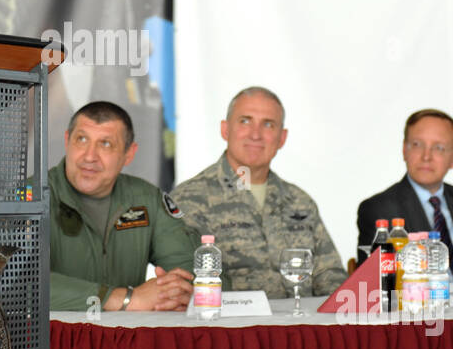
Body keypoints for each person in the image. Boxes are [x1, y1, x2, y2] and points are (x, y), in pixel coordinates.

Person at [172, 87, 347, 300]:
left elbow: (330, 277)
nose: (256, 134)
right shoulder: (188, 199)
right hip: (229, 329)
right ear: (225, 130)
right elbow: (183, 286)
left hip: (300, 327)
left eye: (268, 124)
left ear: (282, 138)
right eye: (245, 121)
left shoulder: (300, 202)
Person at [49, 102, 194, 312]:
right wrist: (123, 299)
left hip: (124, 339)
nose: (90, 156)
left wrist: (178, 292)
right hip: (50, 340)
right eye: (81, 139)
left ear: (129, 153)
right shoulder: (31, 199)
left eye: (105, 144)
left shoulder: (146, 199)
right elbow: (12, 282)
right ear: (67, 141)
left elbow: (190, 268)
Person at [356, 109, 453, 290]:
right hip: (420, 312)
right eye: (417, 144)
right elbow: (378, 285)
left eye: (438, 148)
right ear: (404, 150)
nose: (426, 156)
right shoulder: (378, 209)